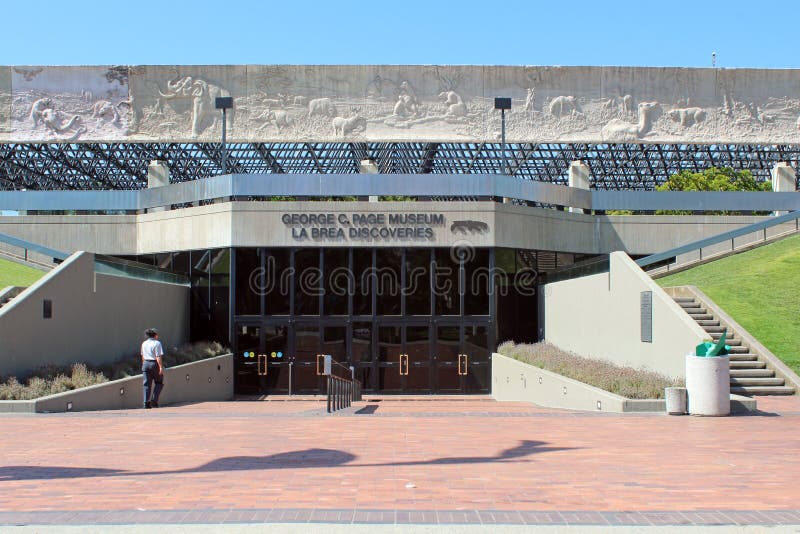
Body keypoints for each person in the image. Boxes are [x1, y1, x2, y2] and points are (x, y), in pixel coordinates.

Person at [141, 328, 164, 409]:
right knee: (159, 382)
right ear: (155, 335)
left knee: (146, 384)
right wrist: (161, 367)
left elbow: (142, 355)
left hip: (145, 364)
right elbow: (158, 356)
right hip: (154, 364)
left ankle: (145, 403)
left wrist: (144, 364)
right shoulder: (157, 343)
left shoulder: (144, 343)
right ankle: (154, 400)